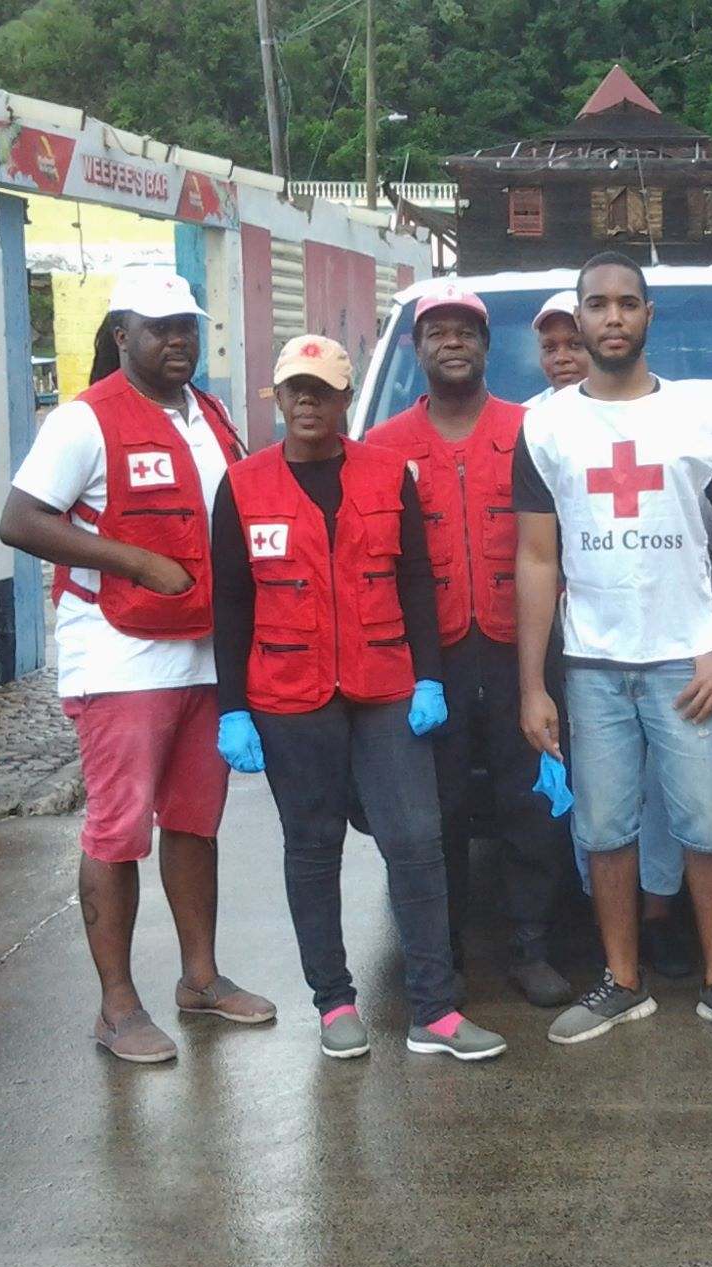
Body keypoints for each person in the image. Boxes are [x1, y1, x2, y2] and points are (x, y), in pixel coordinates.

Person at [0, 267, 275, 1065]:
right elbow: (20, 520)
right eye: (159, 328)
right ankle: (116, 1006)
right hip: (120, 656)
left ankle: (201, 979)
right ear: (123, 336)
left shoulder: (211, 415)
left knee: (195, 823)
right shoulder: (85, 421)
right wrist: (134, 561)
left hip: (204, 657)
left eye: (187, 324)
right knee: (119, 833)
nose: (178, 340)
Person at [211, 334, 507, 1063]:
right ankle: (335, 1002)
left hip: (385, 687)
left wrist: (429, 676)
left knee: (415, 842)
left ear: (346, 401)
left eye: (322, 391)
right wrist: (232, 708)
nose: (307, 402)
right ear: (277, 399)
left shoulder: (386, 474)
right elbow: (232, 606)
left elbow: (414, 582)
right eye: (294, 390)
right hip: (289, 693)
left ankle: (434, 1011)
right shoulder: (243, 485)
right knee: (313, 847)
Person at [513, 250, 712, 1047]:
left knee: (706, 826)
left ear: (649, 315)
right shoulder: (545, 423)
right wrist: (534, 682)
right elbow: (534, 559)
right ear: (580, 316)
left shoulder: (697, 415)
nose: (613, 317)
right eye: (598, 304)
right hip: (592, 663)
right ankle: (622, 983)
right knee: (602, 831)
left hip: (685, 659)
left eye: (629, 303)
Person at [365, 283, 573, 1009]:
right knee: (435, 809)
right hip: (429, 658)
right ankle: (441, 949)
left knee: (530, 803)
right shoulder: (384, 447)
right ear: (416, 349)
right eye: (436, 333)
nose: (451, 343)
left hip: (524, 648)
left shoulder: (530, 430)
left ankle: (530, 946)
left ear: (487, 347)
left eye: (466, 332)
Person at [527, 285, 693, 976]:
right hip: (580, 641)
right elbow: (533, 550)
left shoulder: (670, 412)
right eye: (554, 345)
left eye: (576, 340)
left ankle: (657, 915)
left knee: (660, 790)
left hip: (663, 632)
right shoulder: (536, 425)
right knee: (595, 792)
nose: (567, 355)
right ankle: (602, 921)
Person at [524, 290, 587, 407]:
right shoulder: (528, 416)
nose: (561, 358)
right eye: (549, 348)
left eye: (575, 344)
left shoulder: (626, 409)